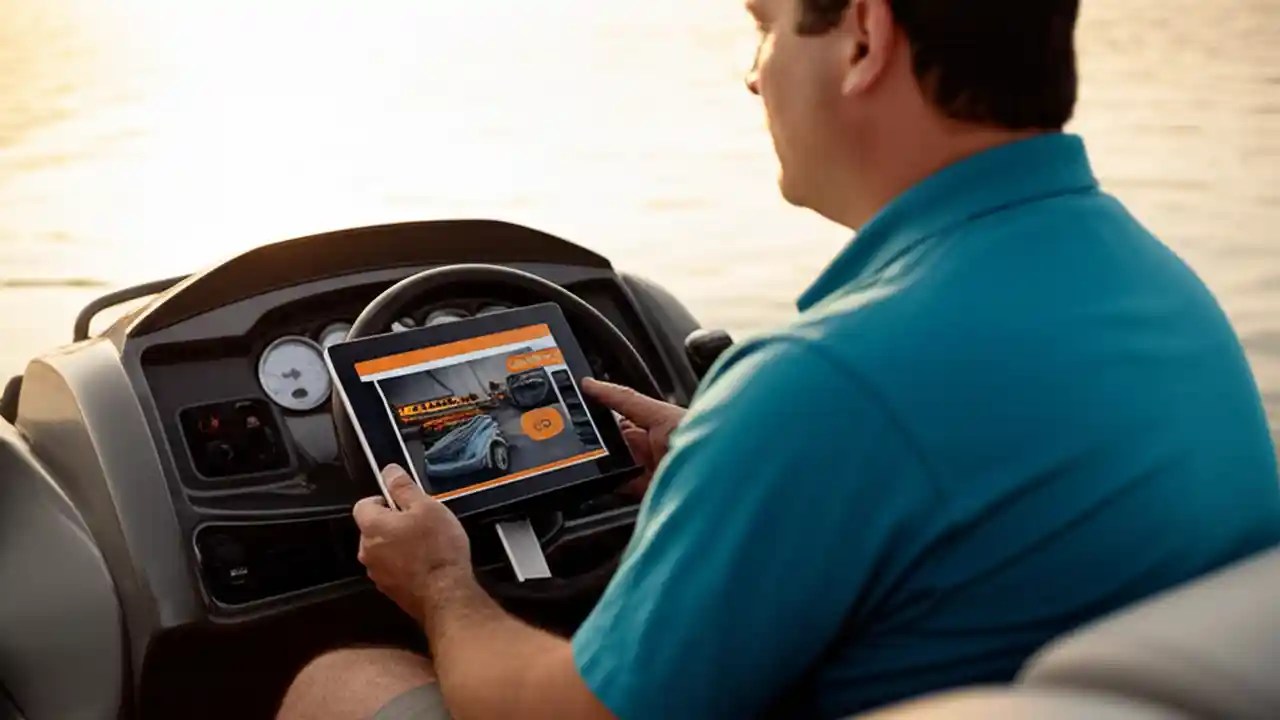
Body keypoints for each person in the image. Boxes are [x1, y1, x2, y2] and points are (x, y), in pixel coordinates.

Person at [279, 0, 1280, 718]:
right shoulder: (1158, 283)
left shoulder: (826, 384)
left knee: (341, 679)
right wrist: (723, 458)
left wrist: (441, 583)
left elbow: (570, 709)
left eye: (761, 25)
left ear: (861, 37)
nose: (752, 71)